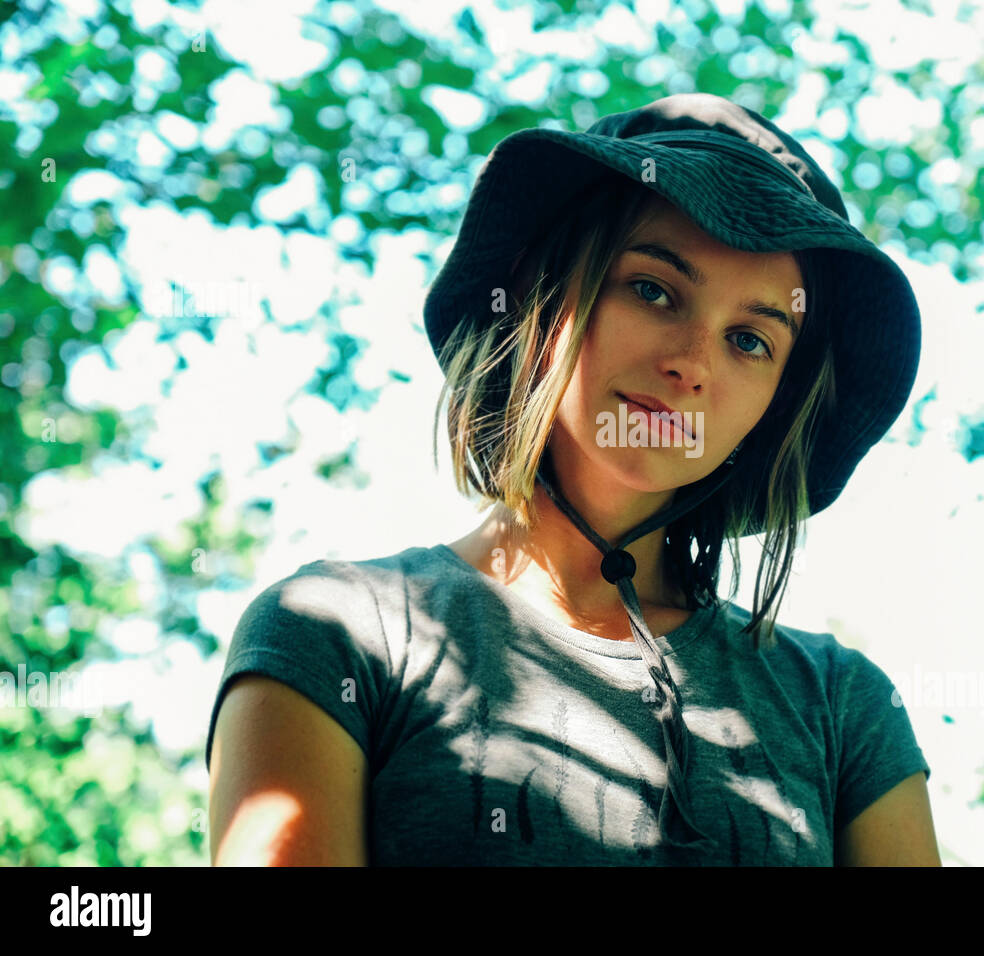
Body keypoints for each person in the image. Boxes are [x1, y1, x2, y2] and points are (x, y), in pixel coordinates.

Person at [206, 93, 940, 866]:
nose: (691, 363)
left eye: (750, 340)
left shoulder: (842, 704)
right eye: (653, 290)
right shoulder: (335, 636)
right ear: (538, 291)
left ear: (774, 409)